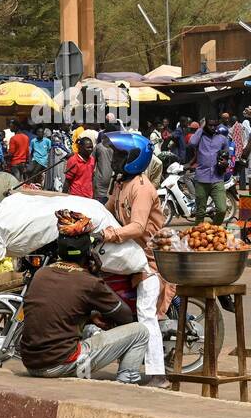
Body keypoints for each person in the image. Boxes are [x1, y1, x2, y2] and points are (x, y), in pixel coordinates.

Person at [19, 231, 151, 384]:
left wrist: (90, 316)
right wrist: (97, 275)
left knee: (90, 330)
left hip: (31, 362)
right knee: (140, 331)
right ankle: (126, 383)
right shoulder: (89, 281)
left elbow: (61, 309)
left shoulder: (41, 273)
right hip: (59, 363)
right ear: (89, 253)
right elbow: (125, 316)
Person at [102, 133, 172, 388]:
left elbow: (137, 227)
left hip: (150, 259)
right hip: (132, 254)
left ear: (134, 159)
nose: (115, 159)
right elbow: (105, 208)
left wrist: (111, 233)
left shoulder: (142, 189)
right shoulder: (121, 184)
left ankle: (158, 374)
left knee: (146, 312)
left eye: (121, 155)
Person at [186, 118, 230, 224]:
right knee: (200, 212)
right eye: (210, 125)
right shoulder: (200, 138)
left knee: (222, 209)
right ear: (206, 125)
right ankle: (199, 234)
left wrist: (225, 163)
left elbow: (227, 155)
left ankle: (214, 229)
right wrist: (201, 127)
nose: (212, 127)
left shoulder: (222, 139)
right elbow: (191, 143)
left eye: (214, 125)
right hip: (202, 179)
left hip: (217, 178)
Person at [91, 131, 113, 203]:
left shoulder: (99, 146)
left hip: (100, 180)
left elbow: (91, 163)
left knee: (98, 205)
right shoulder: (117, 146)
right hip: (112, 180)